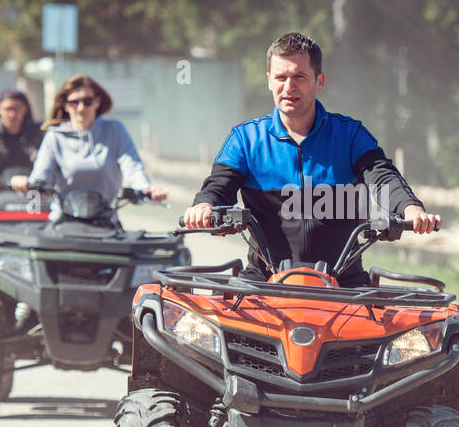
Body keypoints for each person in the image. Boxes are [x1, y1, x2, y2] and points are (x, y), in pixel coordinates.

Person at [182, 32, 440, 284]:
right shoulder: (245, 140)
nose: (289, 87)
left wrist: (411, 209)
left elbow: (382, 178)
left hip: (344, 282)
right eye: (281, 77)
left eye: (300, 77)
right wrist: (205, 205)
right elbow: (219, 185)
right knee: (210, 324)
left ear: (319, 81)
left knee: (420, 325)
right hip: (264, 281)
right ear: (269, 81)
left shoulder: (350, 136)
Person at [13, 75, 167, 205]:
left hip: (107, 221)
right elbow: (41, 176)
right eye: (74, 102)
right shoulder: (54, 136)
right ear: (66, 105)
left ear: (97, 102)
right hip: (64, 222)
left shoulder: (114, 130)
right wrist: (26, 184)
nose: (81, 108)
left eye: (87, 101)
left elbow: (132, 167)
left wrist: (146, 189)